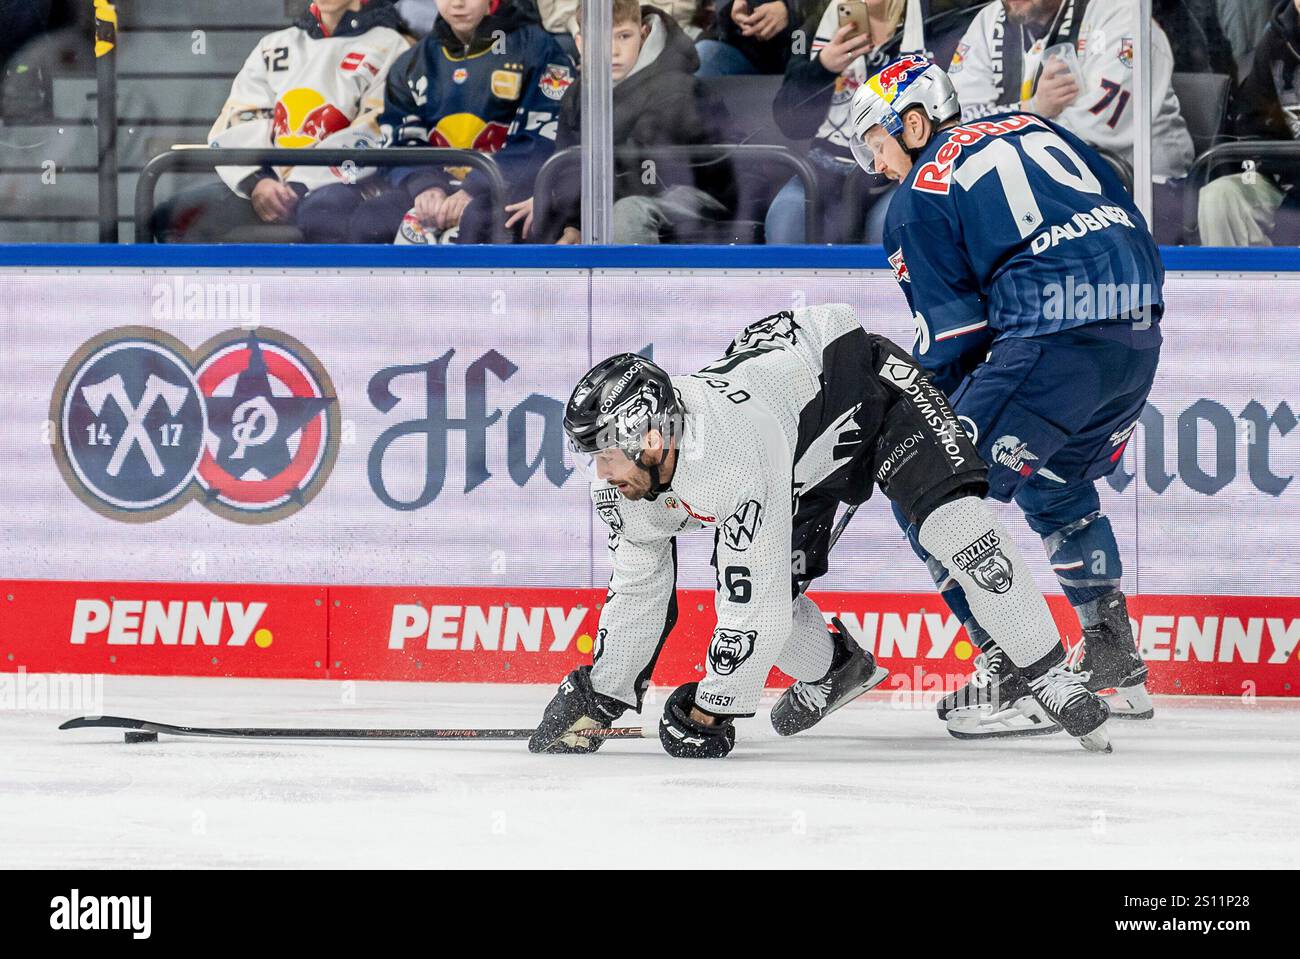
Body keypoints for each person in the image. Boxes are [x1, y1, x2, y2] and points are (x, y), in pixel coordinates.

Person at [528, 304, 1114, 759]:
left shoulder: (726, 454)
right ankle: (837, 670)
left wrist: (711, 710)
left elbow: (752, 609)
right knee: (778, 596)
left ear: (650, 438)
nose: (600, 474)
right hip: (797, 452)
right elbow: (639, 590)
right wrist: (601, 696)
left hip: (871, 393)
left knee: (953, 527)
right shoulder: (628, 482)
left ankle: (1050, 675)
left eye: (605, 455)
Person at [850, 55, 1160, 739]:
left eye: (876, 143)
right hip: (1138, 335)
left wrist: (906, 422)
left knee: (924, 485)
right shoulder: (1036, 126)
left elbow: (953, 337)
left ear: (914, 123)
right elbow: (1126, 214)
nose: (877, 165)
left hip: (1052, 341)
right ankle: (1113, 656)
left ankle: (1013, 667)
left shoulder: (918, 195)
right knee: (1058, 483)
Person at [295, 0, 573, 244]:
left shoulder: (538, 49)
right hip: (434, 187)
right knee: (372, 220)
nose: (458, 3)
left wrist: (475, 188)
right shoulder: (412, 62)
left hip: (507, 188)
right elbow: (400, 137)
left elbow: (544, 136)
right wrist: (426, 186)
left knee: (481, 221)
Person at [150, 0, 410, 243]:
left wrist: (300, 184)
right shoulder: (274, 45)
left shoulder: (391, 46)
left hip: (341, 189)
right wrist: (257, 181)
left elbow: (373, 129)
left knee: (324, 215)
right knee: (172, 217)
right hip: (268, 186)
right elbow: (240, 117)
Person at [946, 0, 1194, 244]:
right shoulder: (989, 21)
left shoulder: (1123, 14)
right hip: (1031, 189)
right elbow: (955, 123)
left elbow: (1096, 128)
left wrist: (1008, 133)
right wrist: (1032, 109)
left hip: (1142, 191)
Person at [509, 1, 736, 244]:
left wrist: (568, 207)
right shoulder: (576, 95)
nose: (613, 50)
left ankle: (629, 271)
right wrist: (570, 221)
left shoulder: (675, 88)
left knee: (628, 213)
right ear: (581, 44)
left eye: (624, 36)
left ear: (643, 34)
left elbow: (644, 175)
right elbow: (568, 167)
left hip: (696, 193)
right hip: (618, 193)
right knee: (527, 214)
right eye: (600, 39)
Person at [768, 0, 907, 243]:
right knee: (786, 216)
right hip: (823, 170)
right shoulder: (807, 30)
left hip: (897, 171)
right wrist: (823, 68)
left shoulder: (931, 22)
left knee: (890, 223)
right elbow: (789, 122)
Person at [1197, 0, 1300, 247]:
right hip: (1290, 183)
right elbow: (1253, 132)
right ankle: (1239, 275)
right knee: (1220, 196)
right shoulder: (1276, 43)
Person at [695, 0, 800, 76]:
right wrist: (732, 4)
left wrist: (790, 10)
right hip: (743, 47)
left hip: (800, 50)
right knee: (699, 62)